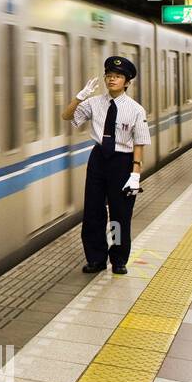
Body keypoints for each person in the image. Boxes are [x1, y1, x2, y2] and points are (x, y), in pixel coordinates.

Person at [61, 56, 151, 274]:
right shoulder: (94, 103)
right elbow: (66, 116)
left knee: (119, 215)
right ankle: (95, 258)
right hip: (98, 159)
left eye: (118, 77)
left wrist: (135, 173)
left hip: (122, 162)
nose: (112, 80)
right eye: (109, 76)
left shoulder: (136, 109)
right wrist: (79, 97)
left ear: (127, 82)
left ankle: (118, 259)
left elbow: (139, 142)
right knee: (93, 212)